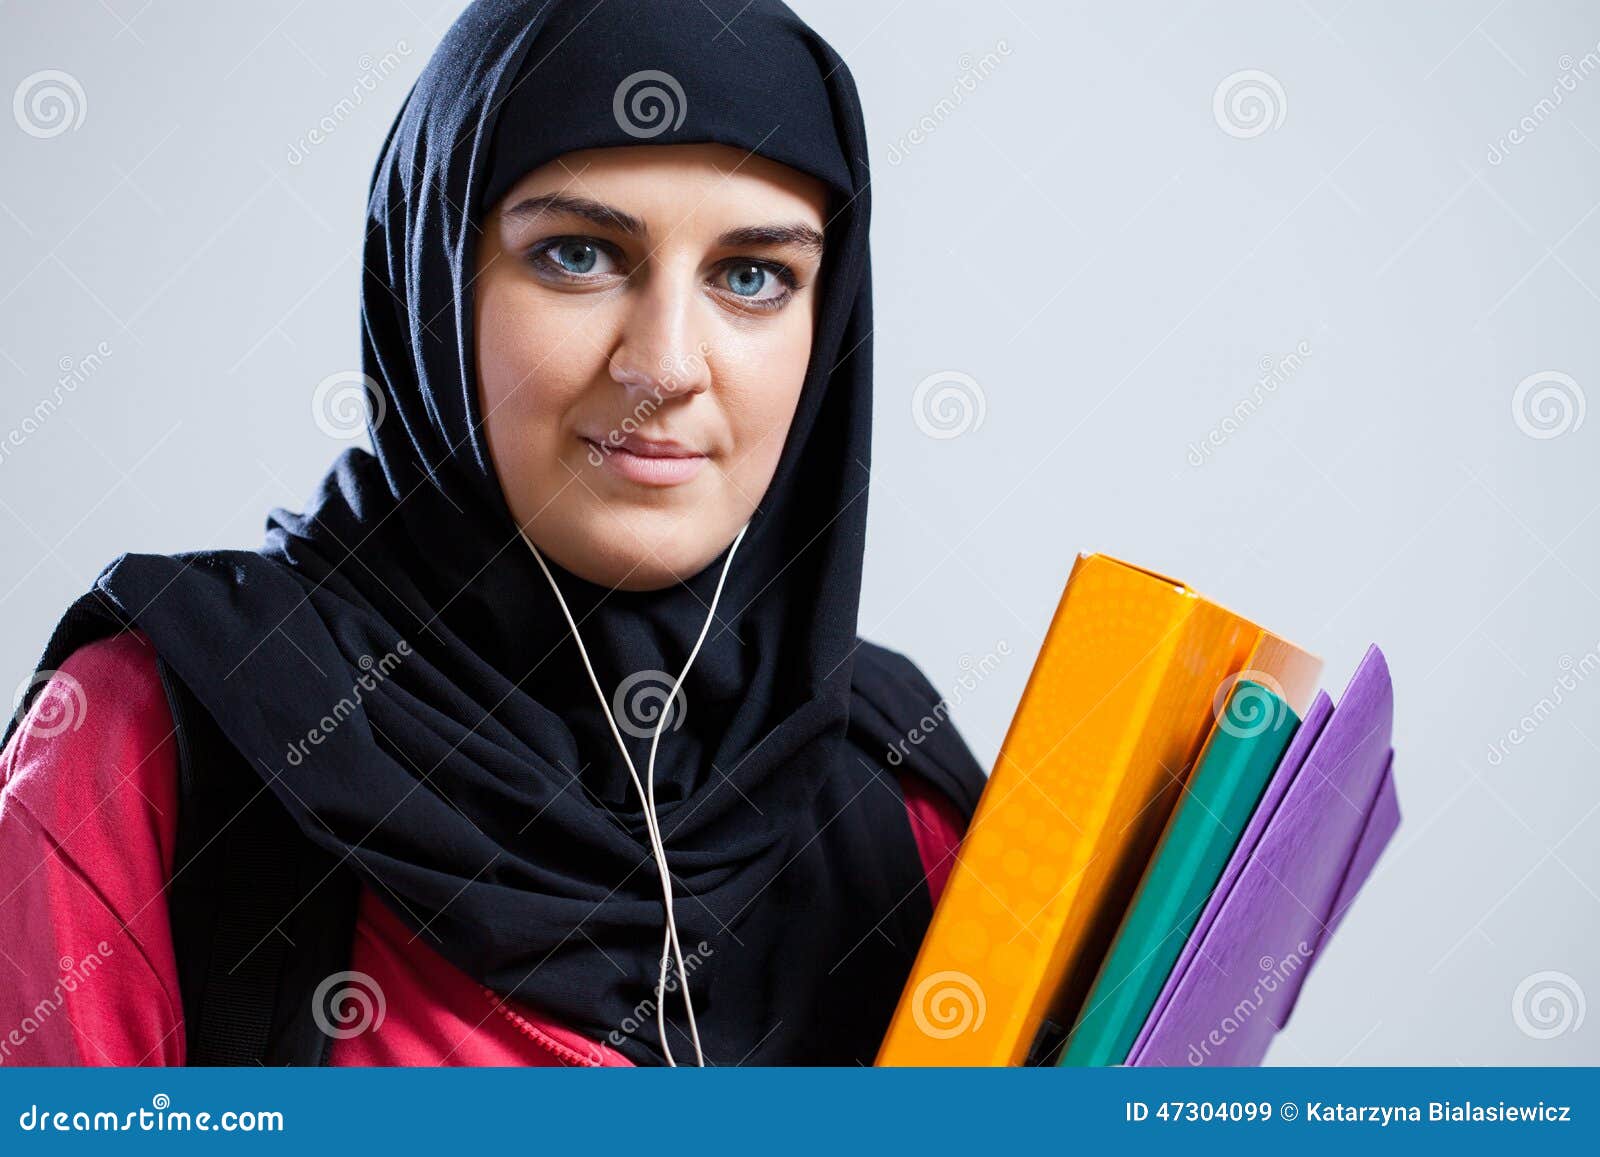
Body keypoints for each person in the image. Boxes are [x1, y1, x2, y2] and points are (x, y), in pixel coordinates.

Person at [0, 0, 987, 1068]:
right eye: (577, 254)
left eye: (752, 276)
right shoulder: (151, 747)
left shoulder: (899, 788)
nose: (664, 365)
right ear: (433, 279)